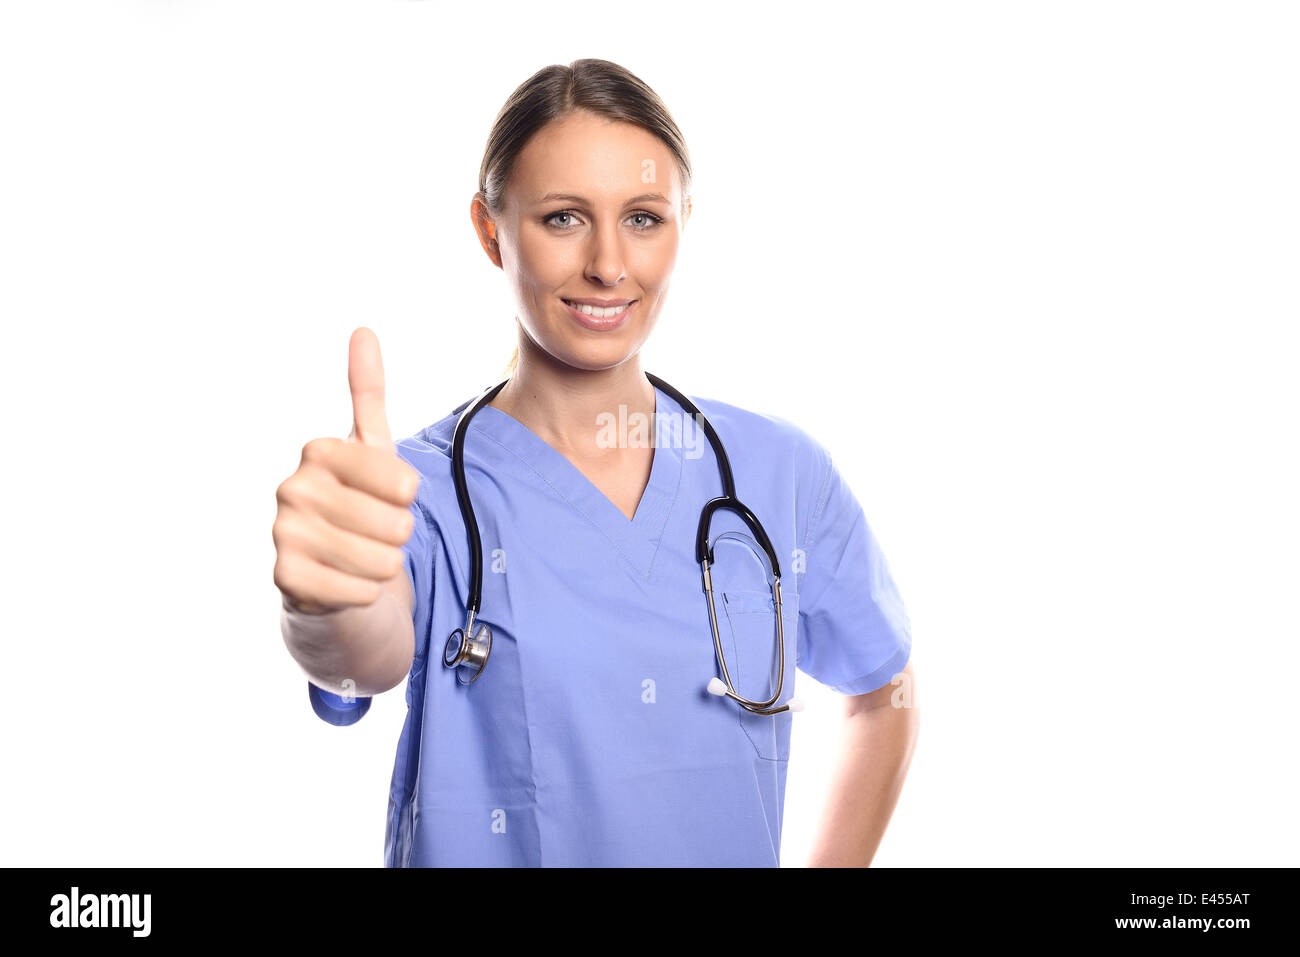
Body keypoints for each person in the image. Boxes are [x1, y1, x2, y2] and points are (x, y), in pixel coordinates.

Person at [273, 58, 918, 867]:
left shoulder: (776, 472)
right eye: (563, 219)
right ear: (488, 229)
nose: (610, 265)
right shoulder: (418, 493)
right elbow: (362, 654)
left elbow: (883, 693)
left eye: (644, 218)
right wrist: (326, 603)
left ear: (685, 219)